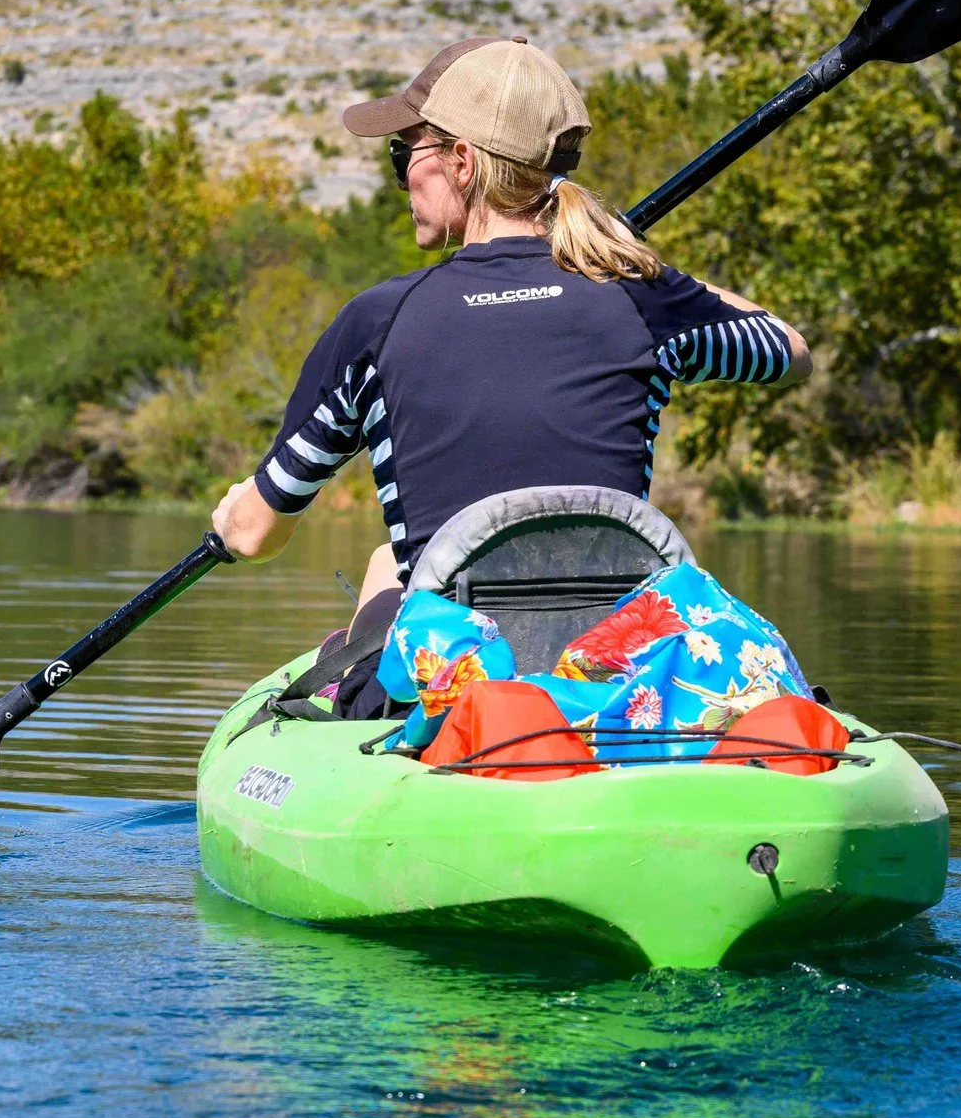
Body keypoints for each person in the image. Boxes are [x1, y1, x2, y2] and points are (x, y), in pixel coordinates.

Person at [208, 35, 811, 713]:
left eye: (406, 153)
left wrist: (232, 516)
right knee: (390, 562)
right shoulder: (642, 304)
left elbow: (256, 534)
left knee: (389, 564)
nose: (403, 175)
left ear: (461, 161)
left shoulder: (379, 322)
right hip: (617, 676)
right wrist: (638, 265)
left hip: (451, 698)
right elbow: (787, 349)